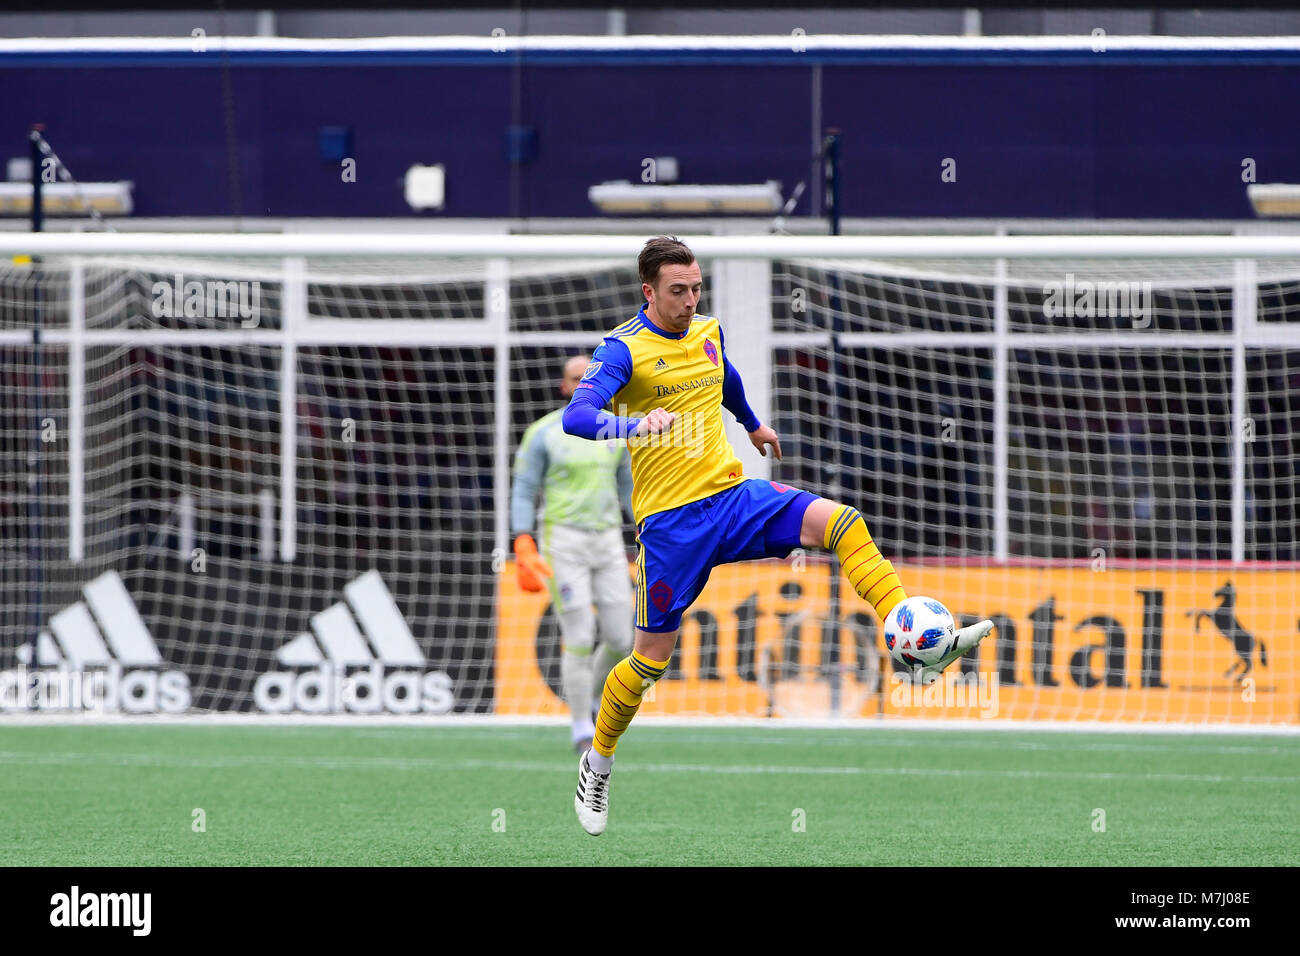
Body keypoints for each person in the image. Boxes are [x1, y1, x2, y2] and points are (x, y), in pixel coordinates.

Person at [562, 236, 992, 835]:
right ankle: (599, 762)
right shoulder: (621, 350)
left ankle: (907, 629)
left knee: (843, 523)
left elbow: (724, 375)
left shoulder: (706, 332)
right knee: (649, 662)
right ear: (649, 291)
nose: (689, 300)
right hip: (671, 528)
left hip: (733, 498)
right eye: (677, 291)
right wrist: (635, 422)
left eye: (695, 288)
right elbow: (576, 417)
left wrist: (752, 422)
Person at [511, 355, 636, 754]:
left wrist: (649, 532)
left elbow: (629, 491)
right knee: (580, 634)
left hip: (607, 541)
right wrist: (521, 539)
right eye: (574, 378)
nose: (583, 382)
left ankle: (593, 697)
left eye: (589, 377)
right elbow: (523, 488)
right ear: (565, 387)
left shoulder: (615, 433)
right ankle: (581, 725)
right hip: (562, 541)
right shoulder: (544, 432)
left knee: (621, 637)